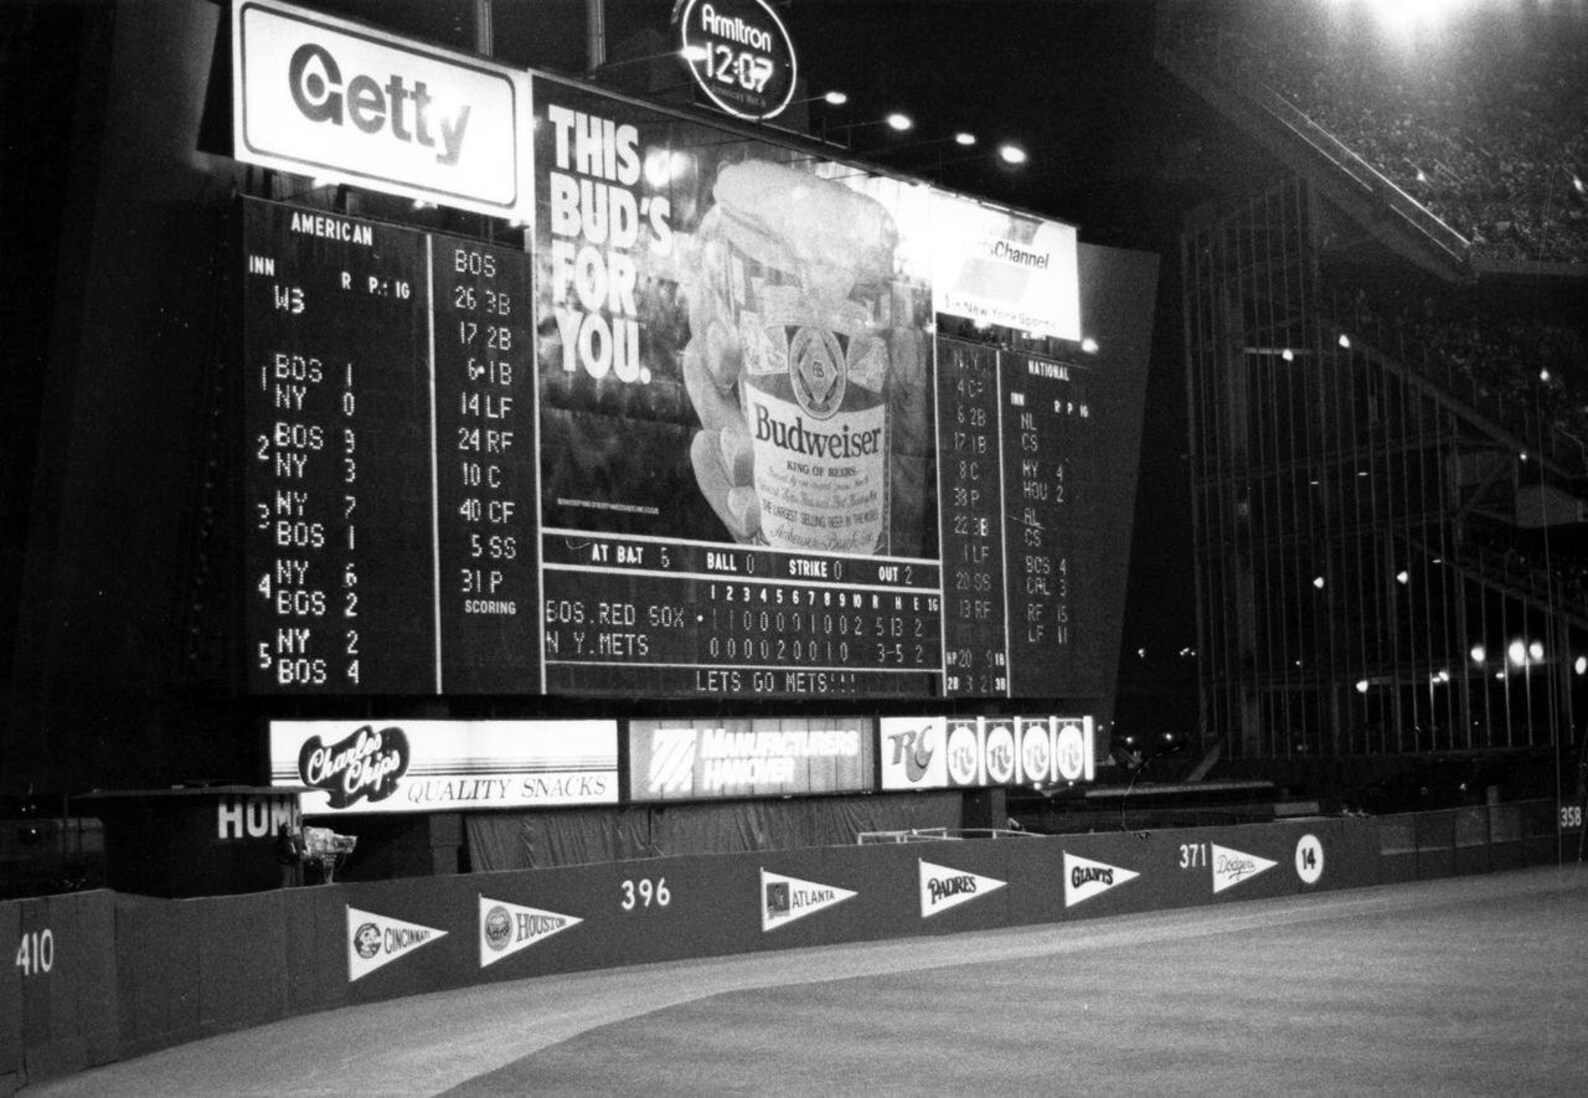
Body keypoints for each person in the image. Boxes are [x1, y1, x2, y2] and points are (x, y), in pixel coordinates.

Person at [274, 823, 304, 888]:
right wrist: (298, 856)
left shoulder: (290, 839)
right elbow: (289, 853)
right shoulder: (283, 840)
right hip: (285, 865)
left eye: (291, 827)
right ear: (285, 830)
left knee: (291, 883)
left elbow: (292, 850)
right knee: (285, 883)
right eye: (289, 828)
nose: (291, 829)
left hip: (290, 864)